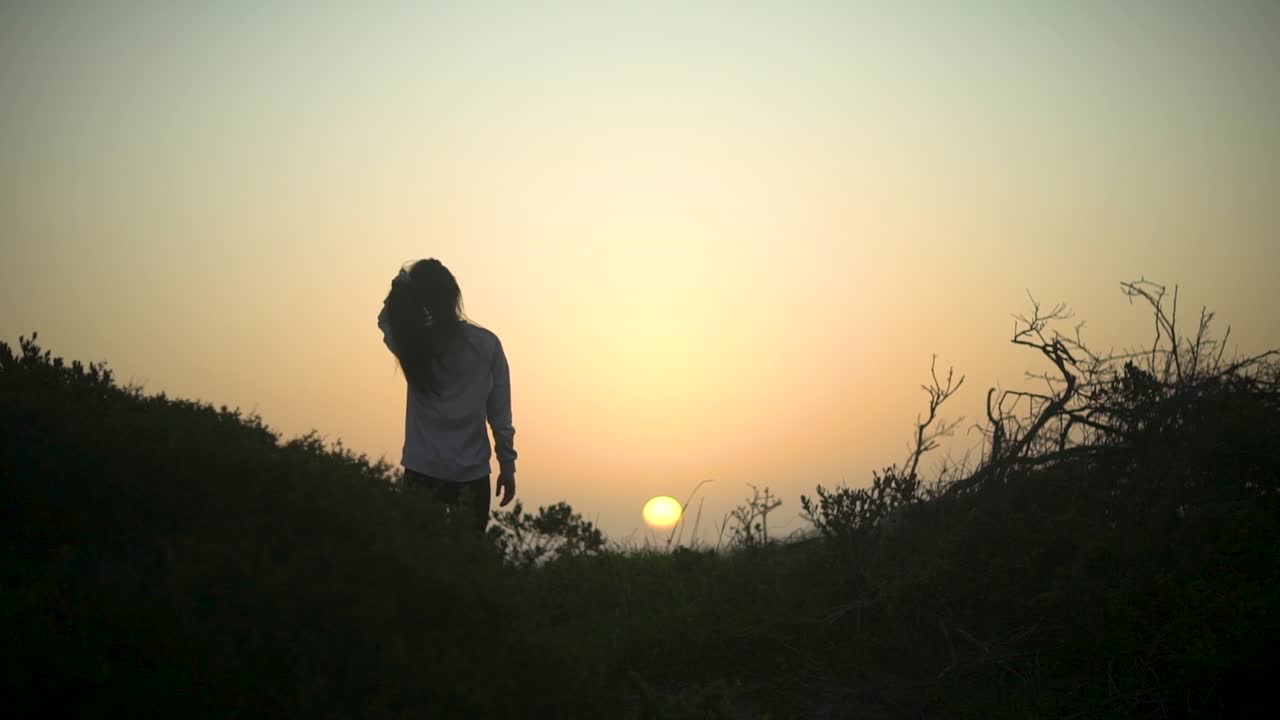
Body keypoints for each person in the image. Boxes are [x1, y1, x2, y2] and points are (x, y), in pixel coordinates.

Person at [378, 258, 516, 532]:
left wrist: (401, 283)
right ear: (453, 295)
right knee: (468, 563)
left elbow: (385, 319)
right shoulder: (486, 345)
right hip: (472, 476)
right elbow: (500, 415)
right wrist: (507, 466)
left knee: (418, 560)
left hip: (421, 472)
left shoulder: (413, 346)